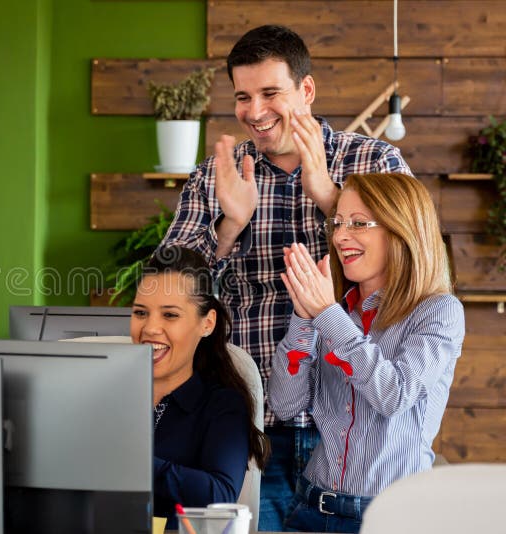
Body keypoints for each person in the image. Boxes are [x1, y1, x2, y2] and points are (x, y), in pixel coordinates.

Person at [159, 24, 412, 529]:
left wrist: (329, 198)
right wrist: (229, 226)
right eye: (243, 97)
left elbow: (411, 267)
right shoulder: (217, 176)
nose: (255, 111)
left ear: (307, 90)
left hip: (351, 425)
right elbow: (166, 289)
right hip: (250, 427)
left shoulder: (374, 161)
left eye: (270, 93)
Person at [268, 172, 464, 533]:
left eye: (359, 223)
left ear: (402, 229)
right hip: (310, 509)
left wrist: (326, 315)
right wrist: (303, 317)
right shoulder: (338, 312)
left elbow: (394, 394)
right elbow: (285, 404)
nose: (340, 236)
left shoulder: (438, 311)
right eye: (338, 222)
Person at [130, 246, 270, 529]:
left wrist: (132, 463)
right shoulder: (106, 396)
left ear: (207, 323)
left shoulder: (222, 405)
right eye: (140, 313)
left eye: (170, 315)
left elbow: (220, 494)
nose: (150, 328)